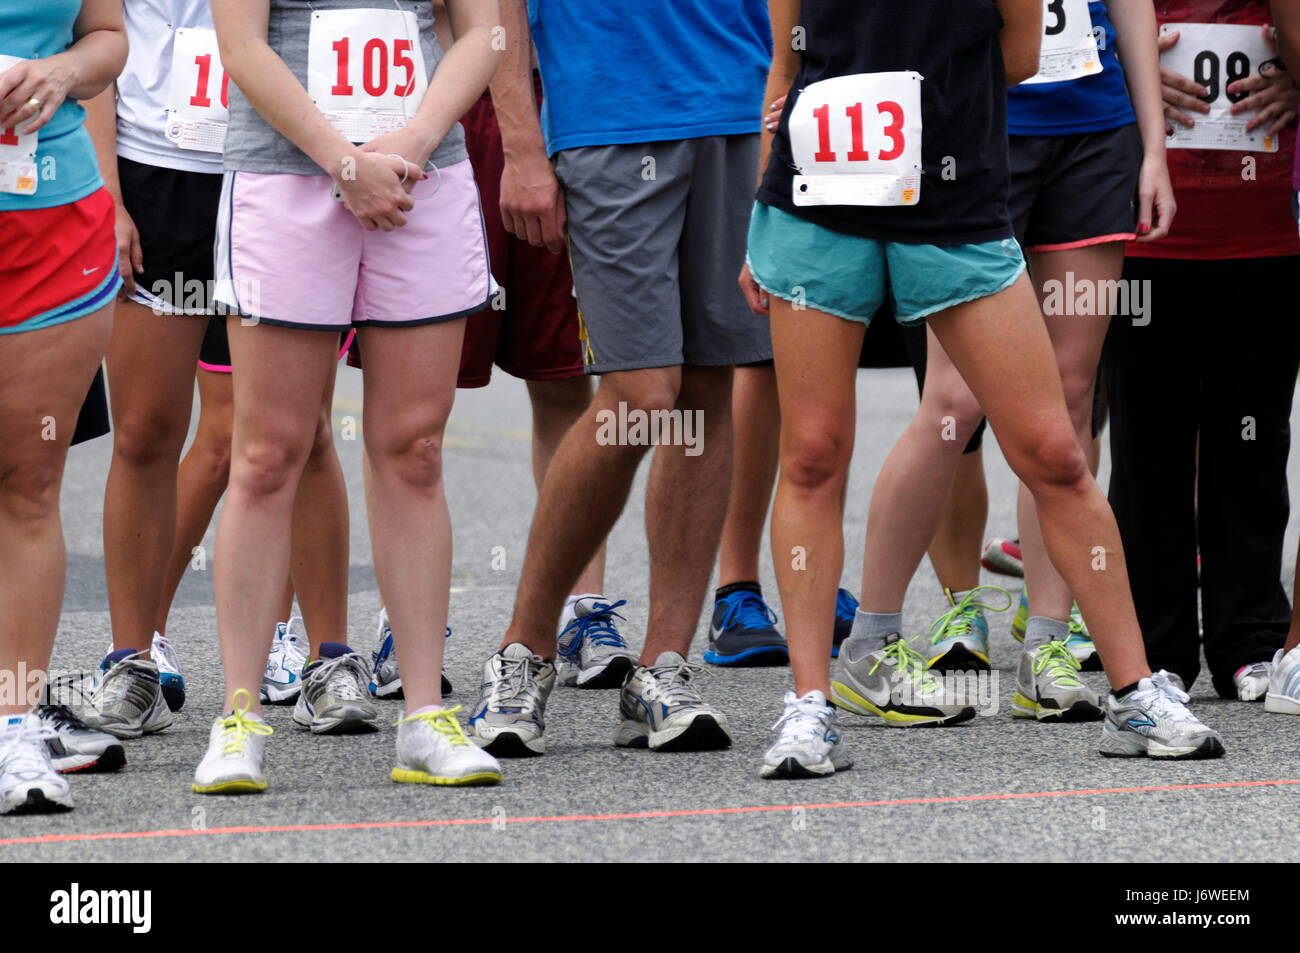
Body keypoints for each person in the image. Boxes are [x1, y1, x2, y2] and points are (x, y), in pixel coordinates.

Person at [744, 0, 1224, 778]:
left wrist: (913, 91)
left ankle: (1135, 691)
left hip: (952, 198)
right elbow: (786, 64)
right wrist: (756, 211)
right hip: (816, 197)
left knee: (1052, 450)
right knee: (811, 453)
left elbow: (1020, 56)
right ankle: (809, 704)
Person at [196, 0, 503, 793]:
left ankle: (426, 717)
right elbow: (242, 45)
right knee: (267, 453)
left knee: (415, 448)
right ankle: (238, 719)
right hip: (285, 180)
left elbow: (481, 34)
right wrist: (343, 160)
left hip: (420, 176)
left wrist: (411, 139)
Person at [467, 0, 772, 757]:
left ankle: (662, 669)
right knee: (641, 394)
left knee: (706, 392)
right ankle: (524, 652)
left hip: (739, 108)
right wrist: (521, 142)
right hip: (608, 113)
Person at [865, 0, 1171, 714]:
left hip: (1093, 132)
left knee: (1071, 395)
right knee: (953, 404)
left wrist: (1154, 145)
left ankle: (1047, 644)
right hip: (972, 133)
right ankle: (873, 640)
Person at [77, 0, 352, 737]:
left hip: (273, 160)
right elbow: (99, 41)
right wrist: (107, 189)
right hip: (156, 168)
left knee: (300, 432)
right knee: (145, 432)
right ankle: (133, 657)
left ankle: (325, 656)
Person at [358, 0, 628, 698]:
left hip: (568, 98)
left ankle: (582, 608)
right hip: (443, 106)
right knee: (411, 405)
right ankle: (404, 620)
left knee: (566, 378)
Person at [1103, 0, 1300, 702]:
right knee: (1147, 442)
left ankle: (1249, 637)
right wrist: (1128, 69)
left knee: (1252, 439)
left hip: (1268, 223)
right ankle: (1155, 649)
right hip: (1148, 227)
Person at [0, 0, 127, 814]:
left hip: (51, 217)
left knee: (26, 484)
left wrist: (59, 73)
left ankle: (11, 722)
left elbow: (108, 36)